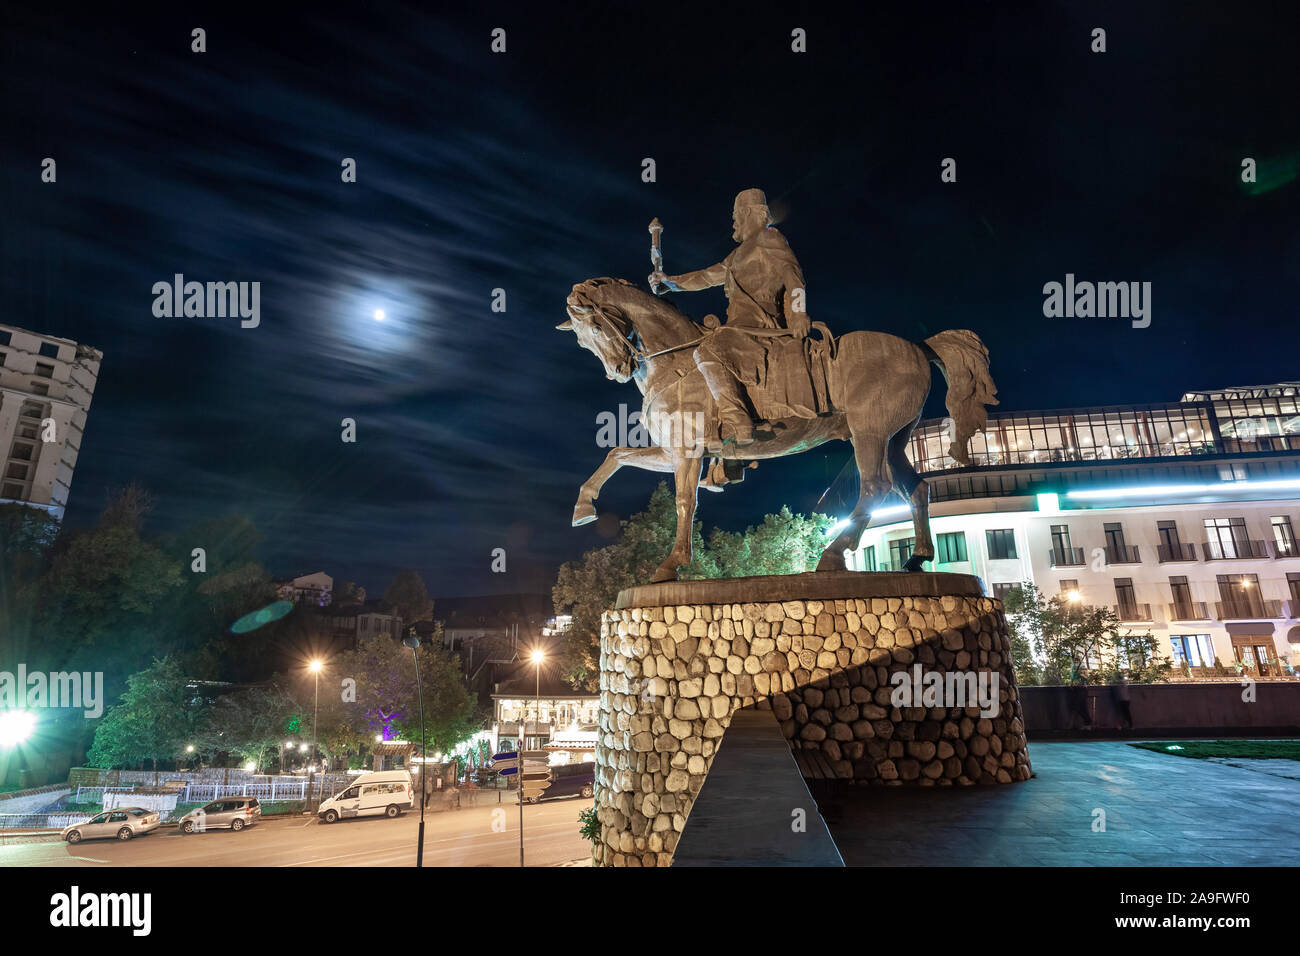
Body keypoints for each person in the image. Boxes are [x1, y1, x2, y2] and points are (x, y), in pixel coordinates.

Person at [649, 188, 812, 447]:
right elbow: (705, 277)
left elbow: (793, 276)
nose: (733, 222)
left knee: (706, 351)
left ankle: (739, 420)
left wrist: (799, 312)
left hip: (758, 324)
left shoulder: (770, 237)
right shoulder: (736, 255)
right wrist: (670, 281)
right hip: (737, 327)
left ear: (749, 213)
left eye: (736, 215)